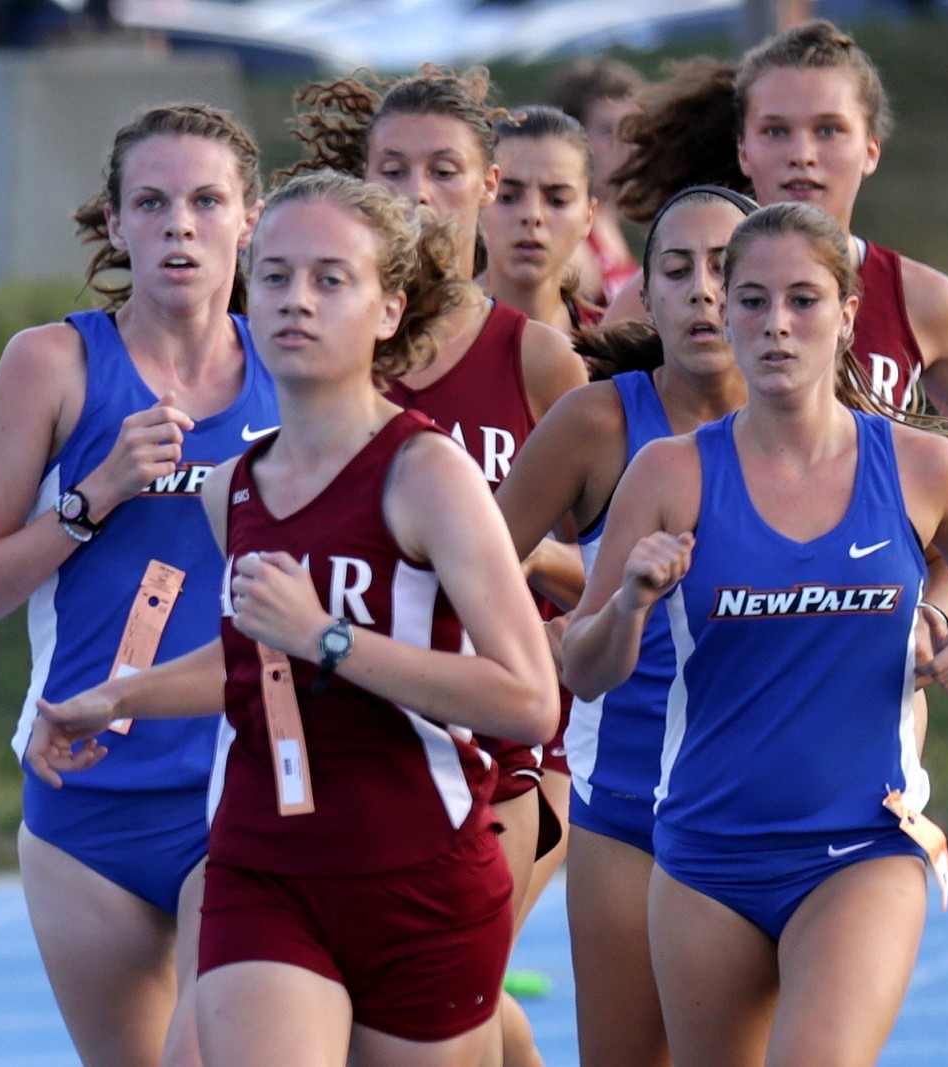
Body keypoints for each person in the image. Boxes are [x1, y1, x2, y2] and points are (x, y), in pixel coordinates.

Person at [26, 171, 560, 1067]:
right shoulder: (232, 486)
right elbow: (248, 653)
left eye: (329, 279)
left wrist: (332, 640)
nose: (295, 302)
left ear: (388, 308)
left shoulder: (430, 474)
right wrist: (113, 696)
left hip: (418, 872)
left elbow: (526, 699)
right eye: (273, 277)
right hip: (263, 862)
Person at [561, 201, 948, 1066]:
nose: (775, 325)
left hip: (864, 842)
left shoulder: (922, 466)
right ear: (725, 310)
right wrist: (628, 600)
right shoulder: (669, 472)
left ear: (849, 314)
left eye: (804, 300)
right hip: (705, 856)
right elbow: (582, 666)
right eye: (751, 300)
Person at [0, 103, 274, 1066]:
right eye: (154, 201)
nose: (180, 225)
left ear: (248, 218)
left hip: (238, 782)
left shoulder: (291, 371)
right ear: (116, 221)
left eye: (208, 200)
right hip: (84, 793)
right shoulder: (52, 362)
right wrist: (95, 496)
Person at [287, 63, 588, 1067]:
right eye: (393, 168)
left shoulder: (535, 358)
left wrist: (487, 538)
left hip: (507, 745)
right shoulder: (330, 357)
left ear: (486, 185)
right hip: (361, 733)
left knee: (452, 980)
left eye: (444, 169)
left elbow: (607, 571)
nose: (419, 191)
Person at [495, 185, 757, 1067]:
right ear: (642, 290)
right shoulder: (598, 422)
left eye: (726, 269)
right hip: (629, 800)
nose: (704, 291)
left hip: (782, 811)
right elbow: (475, 563)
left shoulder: (836, 436)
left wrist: (937, 619)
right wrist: (536, 648)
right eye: (677, 269)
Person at [604, 19, 948, 418]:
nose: (802, 154)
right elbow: (593, 433)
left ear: (871, 149)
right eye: (776, 131)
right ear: (744, 151)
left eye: (828, 129)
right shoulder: (671, 288)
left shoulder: (923, 299)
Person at [480, 105, 601, 334]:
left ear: (588, 216)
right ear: (478, 200)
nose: (532, 214)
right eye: (507, 197)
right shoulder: (428, 341)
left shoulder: (610, 349)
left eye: (557, 200)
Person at [547, 57, 646, 304]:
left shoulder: (609, 223)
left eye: (632, 130)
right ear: (572, 140)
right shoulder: (570, 239)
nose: (626, 144)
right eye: (608, 130)